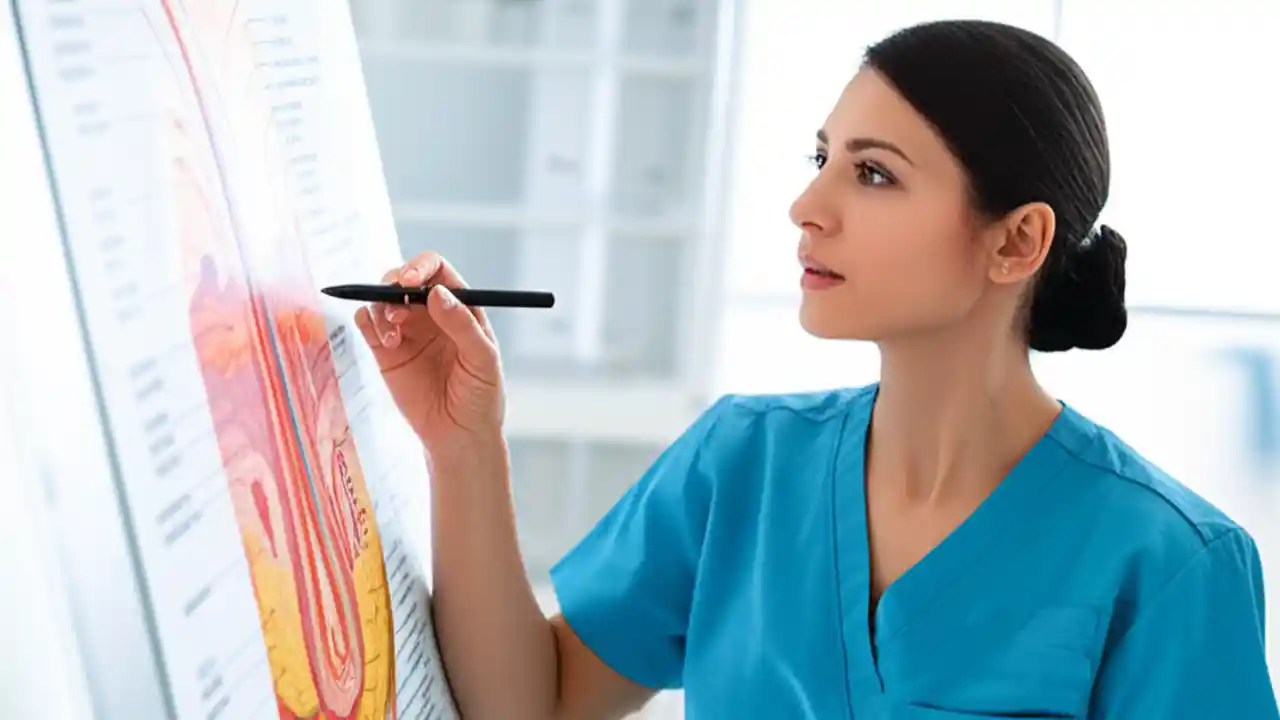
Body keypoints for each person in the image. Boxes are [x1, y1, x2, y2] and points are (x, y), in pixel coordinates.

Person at [355, 18, 1279, 720]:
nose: (807, 205)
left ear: (1017, 242)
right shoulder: (739, 466)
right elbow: (538, 701)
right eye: (821, 158)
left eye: (873, 174)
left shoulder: (1170, 567)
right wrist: (463, 446)